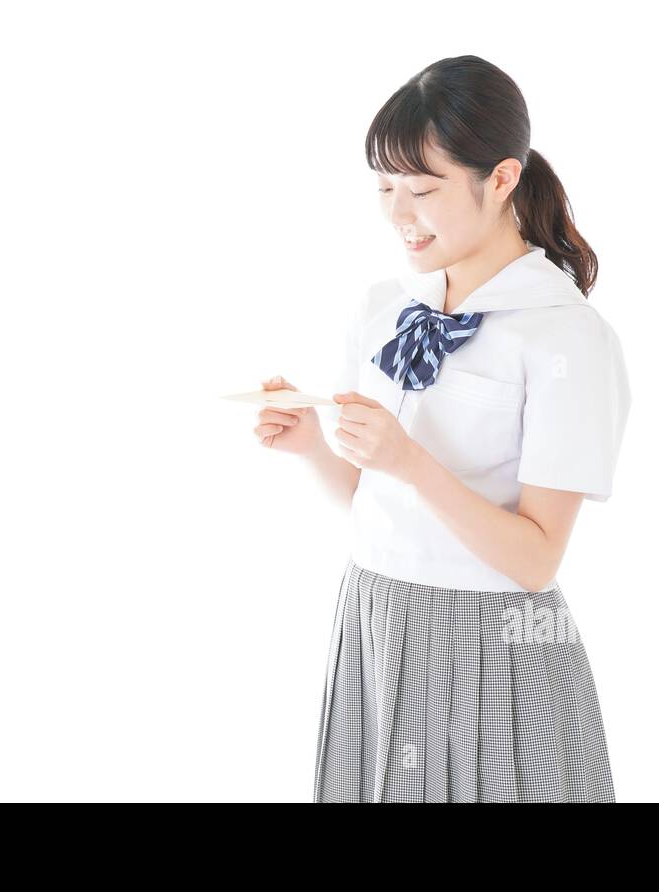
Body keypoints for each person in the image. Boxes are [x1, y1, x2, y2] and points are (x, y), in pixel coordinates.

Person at [255, 55, 631, 802]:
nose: (400, 213)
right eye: (386, 188)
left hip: (494, 643)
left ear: (501, 179)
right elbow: (377, 502)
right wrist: (311, 450)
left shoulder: (564, 337)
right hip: (375, 615)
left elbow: (533, 561)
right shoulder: (384, 305)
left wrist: (411, 462)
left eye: (422, 190)